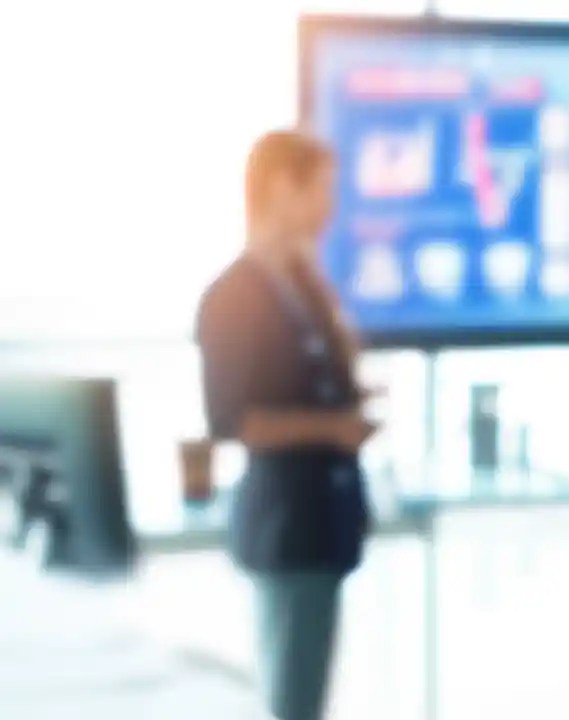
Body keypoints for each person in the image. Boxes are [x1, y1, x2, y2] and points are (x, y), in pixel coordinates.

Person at [196, 130, 377, 720]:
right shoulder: (233, 295)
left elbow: (332, 381)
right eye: (322, 189)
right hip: (287, 526)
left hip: (327, 523)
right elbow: (233, 420)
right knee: (292, 700)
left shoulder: (301, 287)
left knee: (307, 692)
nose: (331, 206)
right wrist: (329, 429)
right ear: (281, 188)